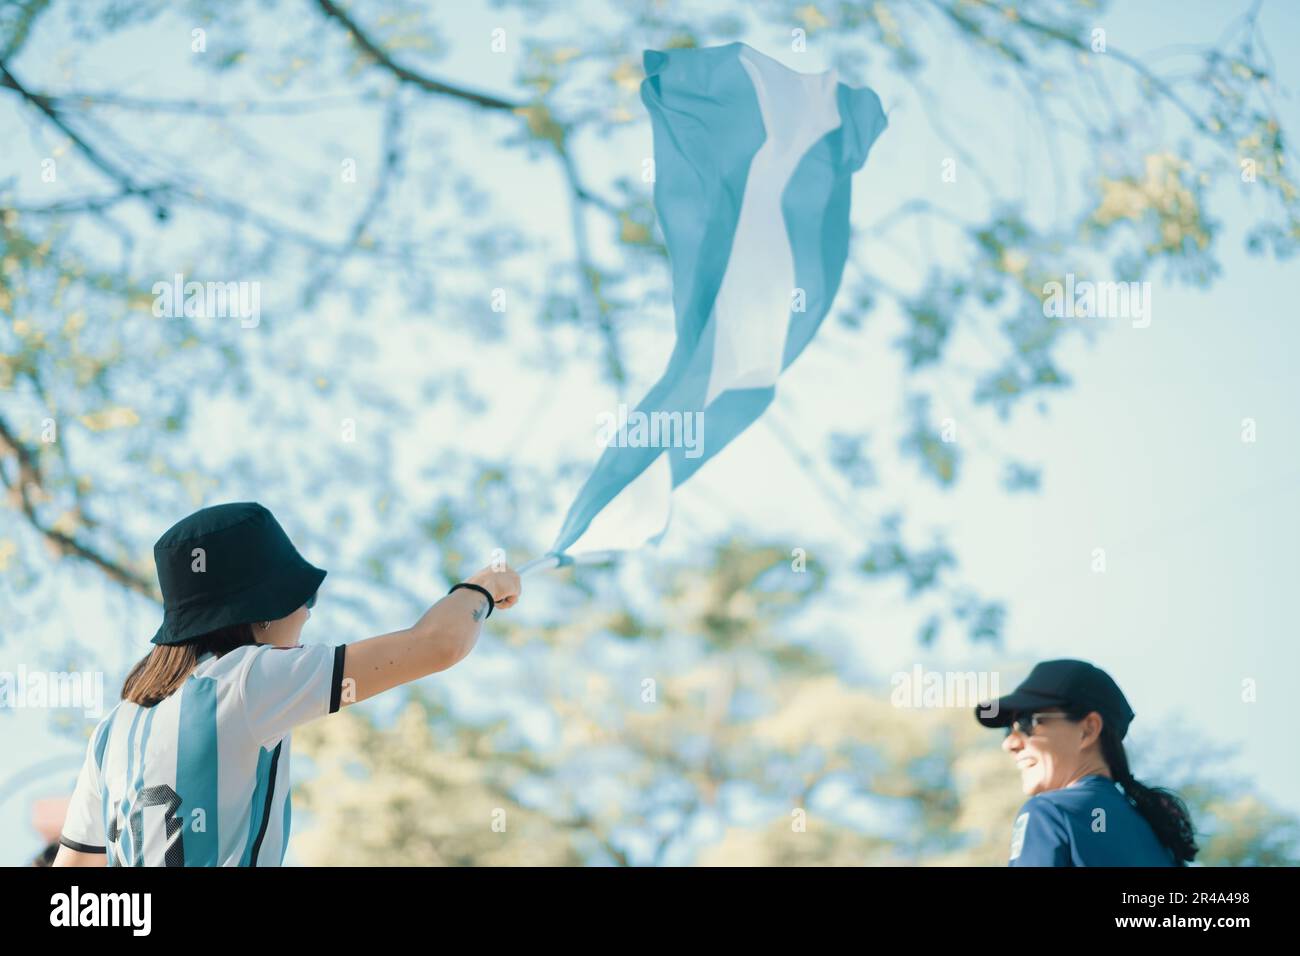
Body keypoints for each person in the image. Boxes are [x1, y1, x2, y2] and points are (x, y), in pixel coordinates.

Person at [52, 501, 520, 867]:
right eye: (302, 596)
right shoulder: (246, 682)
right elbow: (439, 644)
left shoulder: (112, 732)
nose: (309, 611)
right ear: (259, 614)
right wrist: (481, 588)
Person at [974, 659, 1197, 866]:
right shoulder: (1157, 834)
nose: (1009, 744)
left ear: (1088, 729)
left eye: (1026, 723)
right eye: (1007, 730)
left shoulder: (1050, 812)